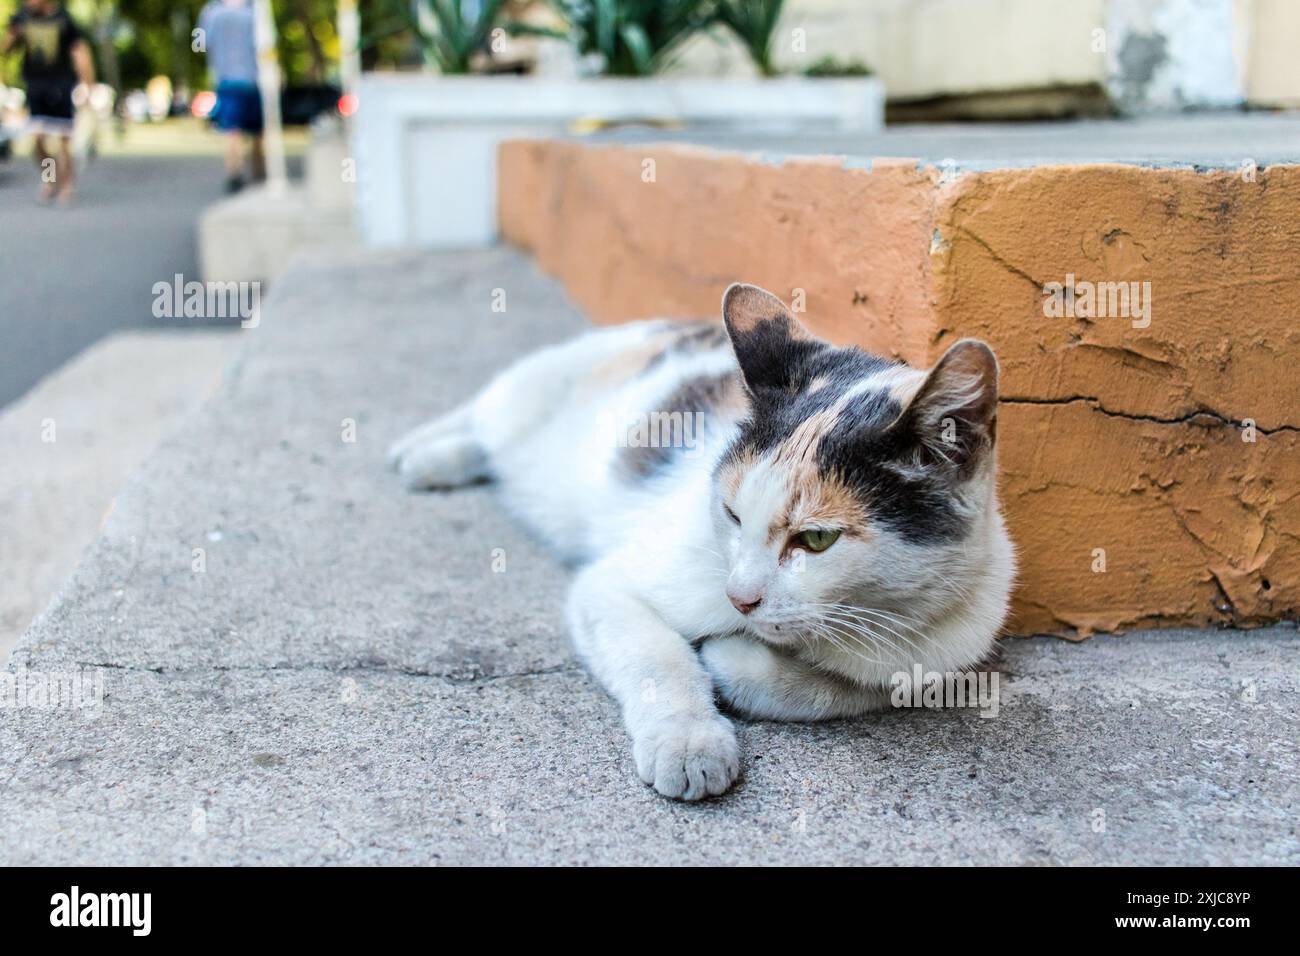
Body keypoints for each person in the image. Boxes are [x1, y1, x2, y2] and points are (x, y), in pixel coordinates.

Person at [1, 0, 95, 205]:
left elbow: (80, 52)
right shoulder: (22, 18)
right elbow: (5, 49)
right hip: (35, 86)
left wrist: (88, 85)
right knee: (38, 140)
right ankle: (51, 179)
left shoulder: (64, 20)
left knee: (63, 140)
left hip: (61, 85)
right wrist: (12, 35)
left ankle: (67, 184)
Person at [198, 0, 264, 193]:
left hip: (226, 78)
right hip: (253, 78)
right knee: (257, 130)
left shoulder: (210, 12)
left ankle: (235, 174)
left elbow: (199, 44)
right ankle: (259, 173)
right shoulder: (254, 11)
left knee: (231, 129)